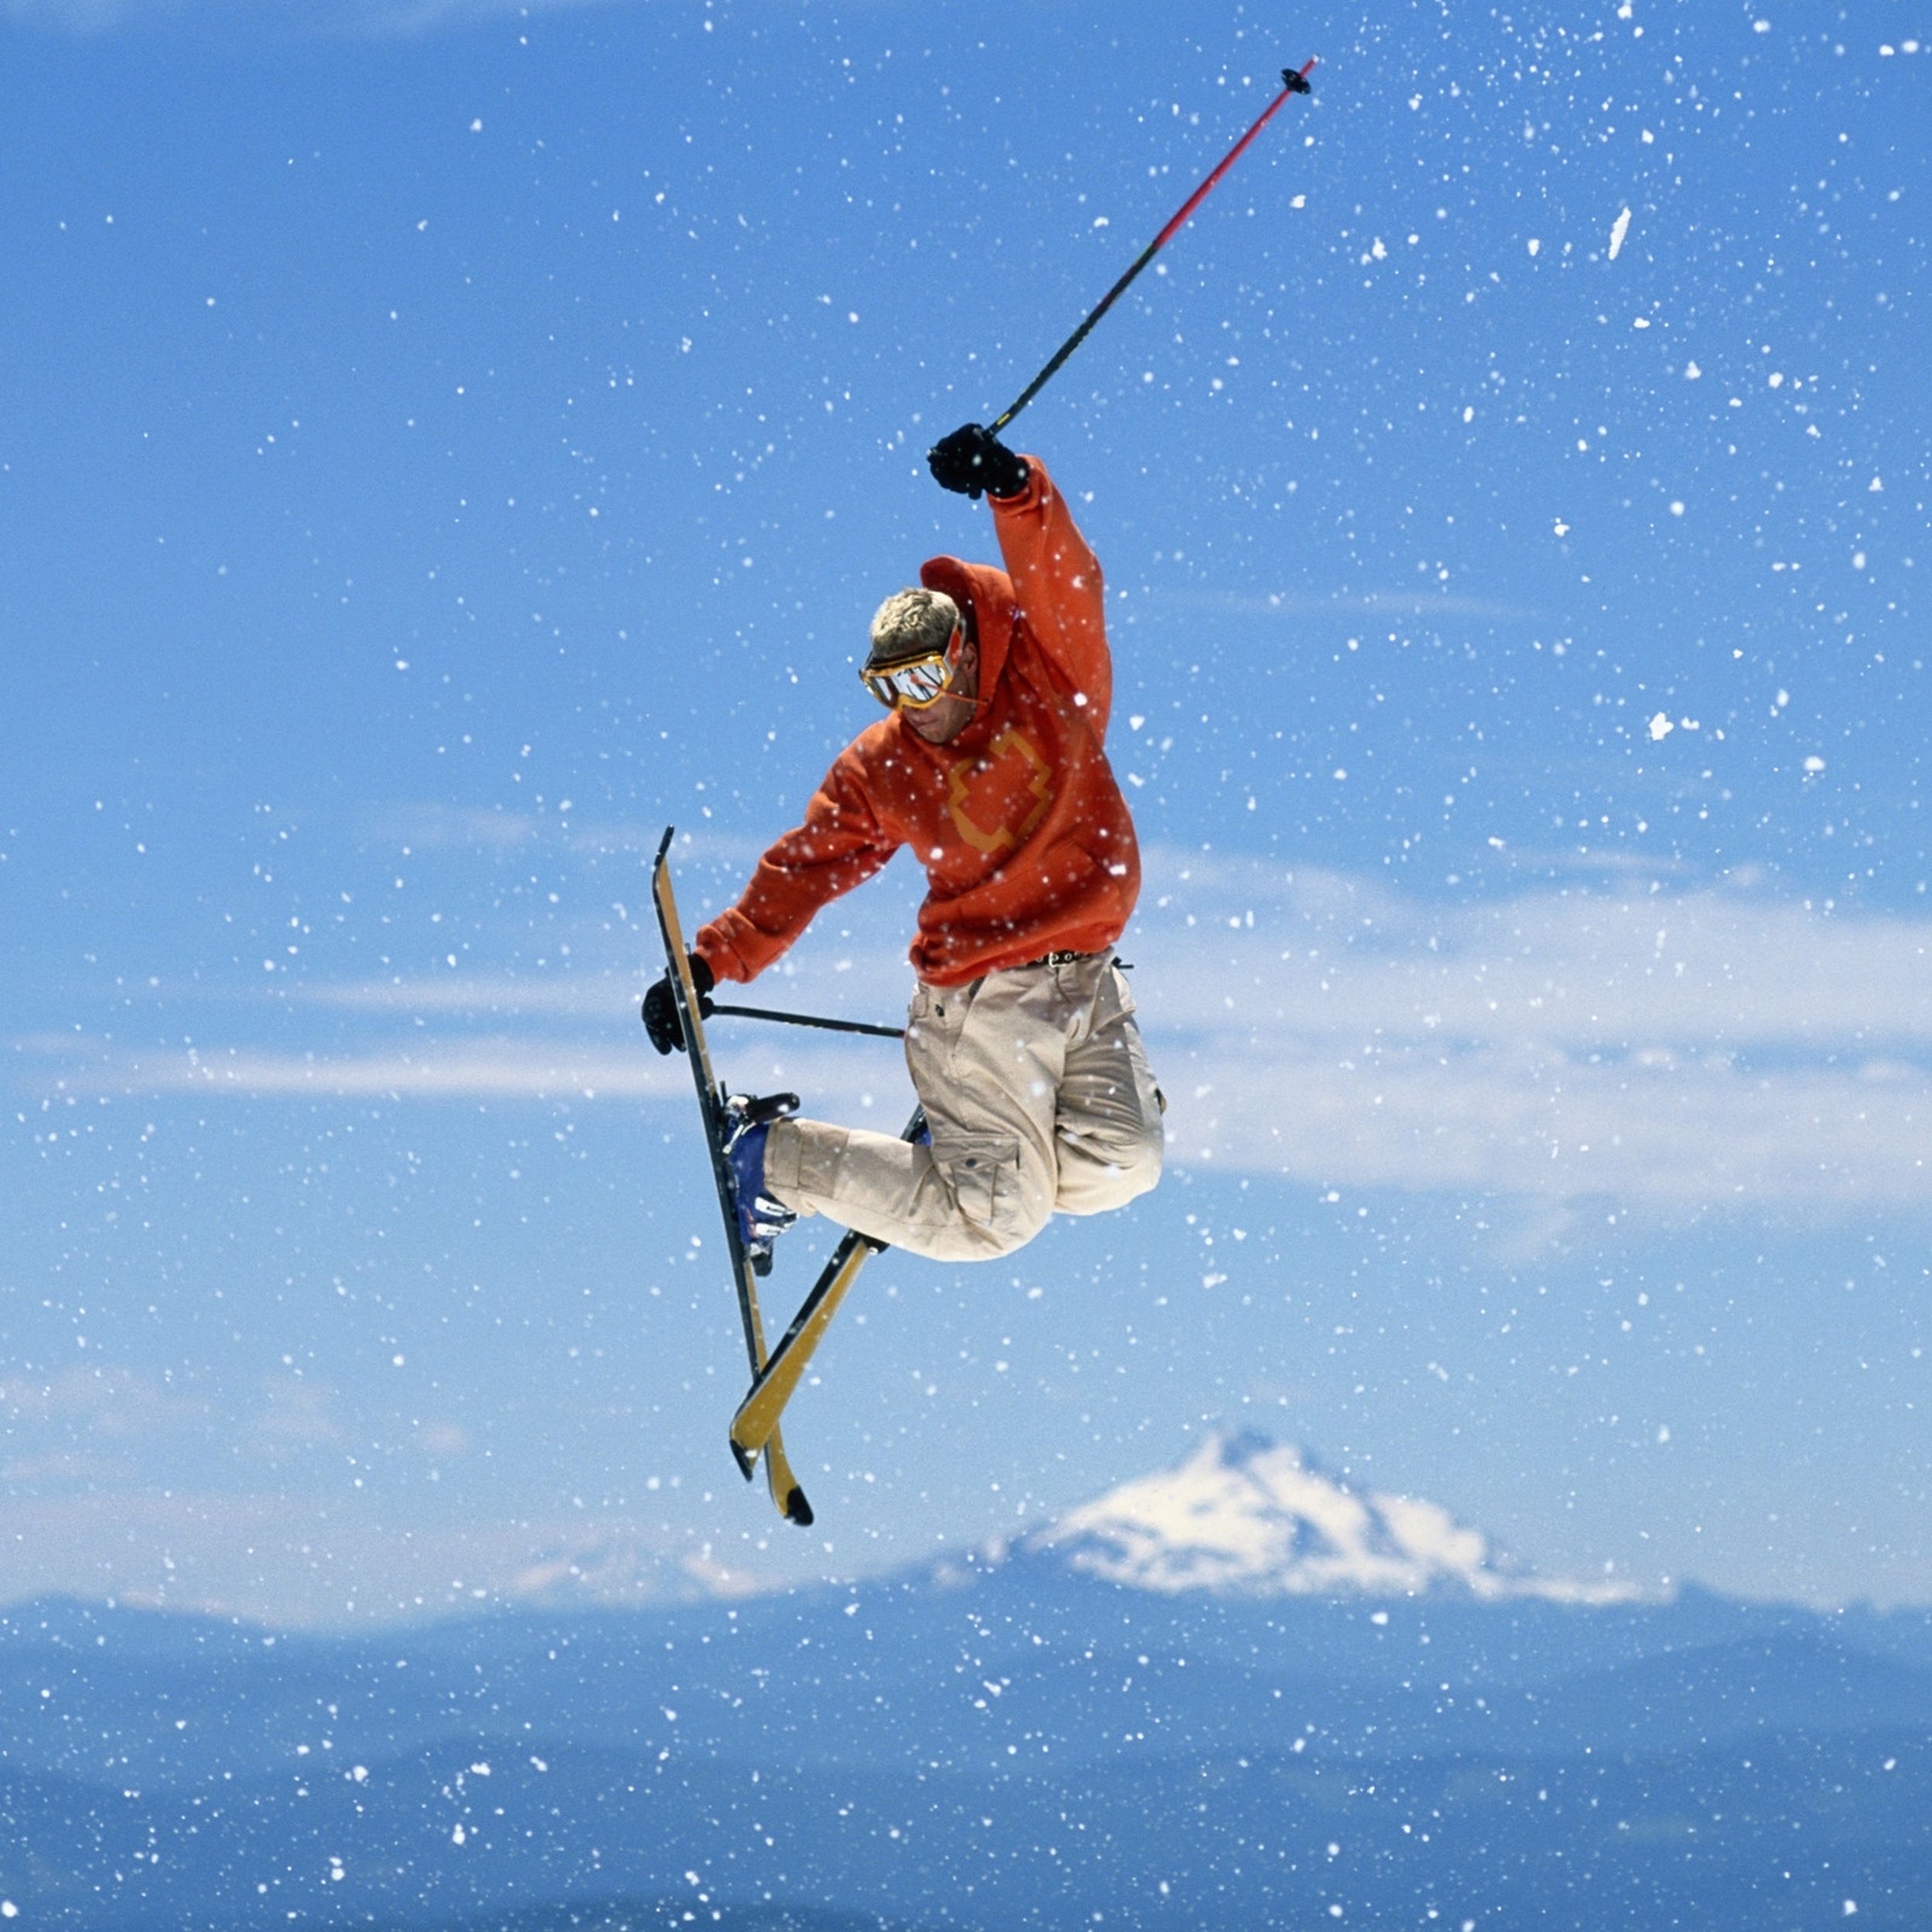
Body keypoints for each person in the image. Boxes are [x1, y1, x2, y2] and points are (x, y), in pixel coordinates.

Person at [644, 422, 1163, 1266]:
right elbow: (808, 865)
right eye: (887, 687)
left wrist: (1010, 485)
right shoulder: (886, 763)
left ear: (964, 657)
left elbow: (1067, 579)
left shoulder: (1050, 677)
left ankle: (969, 1153)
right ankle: (774, 1160)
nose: (912, 706)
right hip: (980, 997)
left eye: (922, 679)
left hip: (1085, 973)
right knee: (994, 1221)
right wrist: (709, 962)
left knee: (1124, 1161)